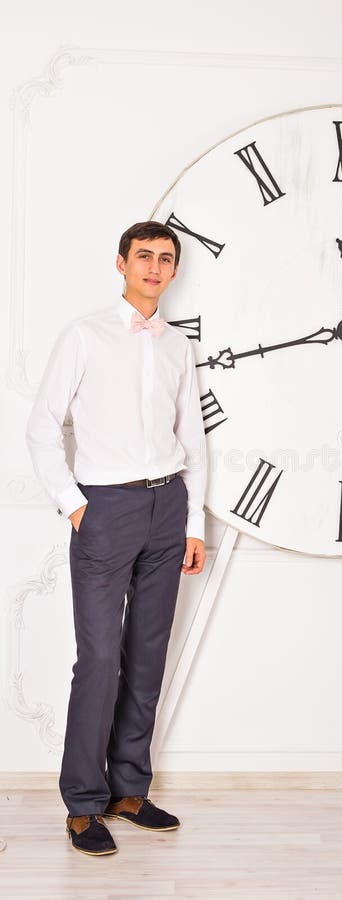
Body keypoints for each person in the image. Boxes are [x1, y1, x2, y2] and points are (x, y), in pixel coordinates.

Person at [25, 221, 207, 856]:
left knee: (147, 656)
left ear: (175, 270)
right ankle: (83, 803)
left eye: (165, 259)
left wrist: (193, 523)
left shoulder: (179, 345)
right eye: (144, 257)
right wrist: (76, 506)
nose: (154, 268)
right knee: (99, 660)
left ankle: (129, 789)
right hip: (105, 508)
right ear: (122, 264)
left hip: (168, 505)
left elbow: (195, 439)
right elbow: (42, 427)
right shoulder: (84, 335)